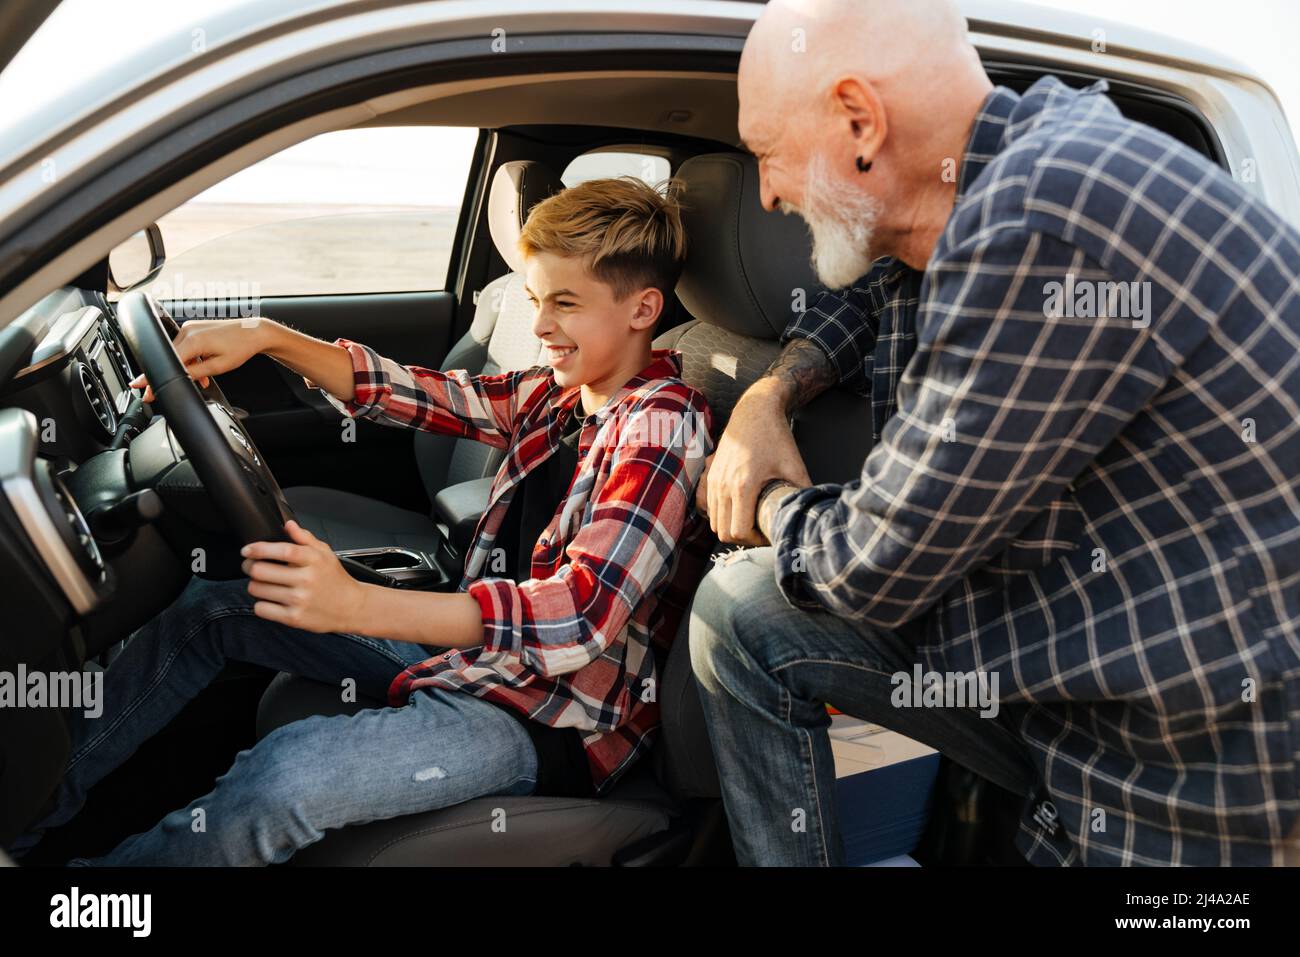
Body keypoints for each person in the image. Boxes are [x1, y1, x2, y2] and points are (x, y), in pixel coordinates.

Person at [691, 0, 1300, 866]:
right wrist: (767, 398)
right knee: (742, 612)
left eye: (765, 153)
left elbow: (872, 565)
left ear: (860, 121)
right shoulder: (974, 190)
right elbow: (863, 297)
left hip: (1200, 781)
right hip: (1072, 679)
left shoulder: (1043, 221)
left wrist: (772, 500)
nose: (766, 192)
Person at [10, 175, 713, 865]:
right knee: (216, 606)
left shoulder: (662, 423)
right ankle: (25, 809)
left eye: (564, 303)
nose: (539, 326)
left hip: (547, 717)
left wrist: (355, 603)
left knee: (287, 774)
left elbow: (579, 613)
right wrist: (267, 337)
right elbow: (421, 394)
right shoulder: (560, 397)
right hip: (482, 660)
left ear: (642, 308)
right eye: (534, 299)